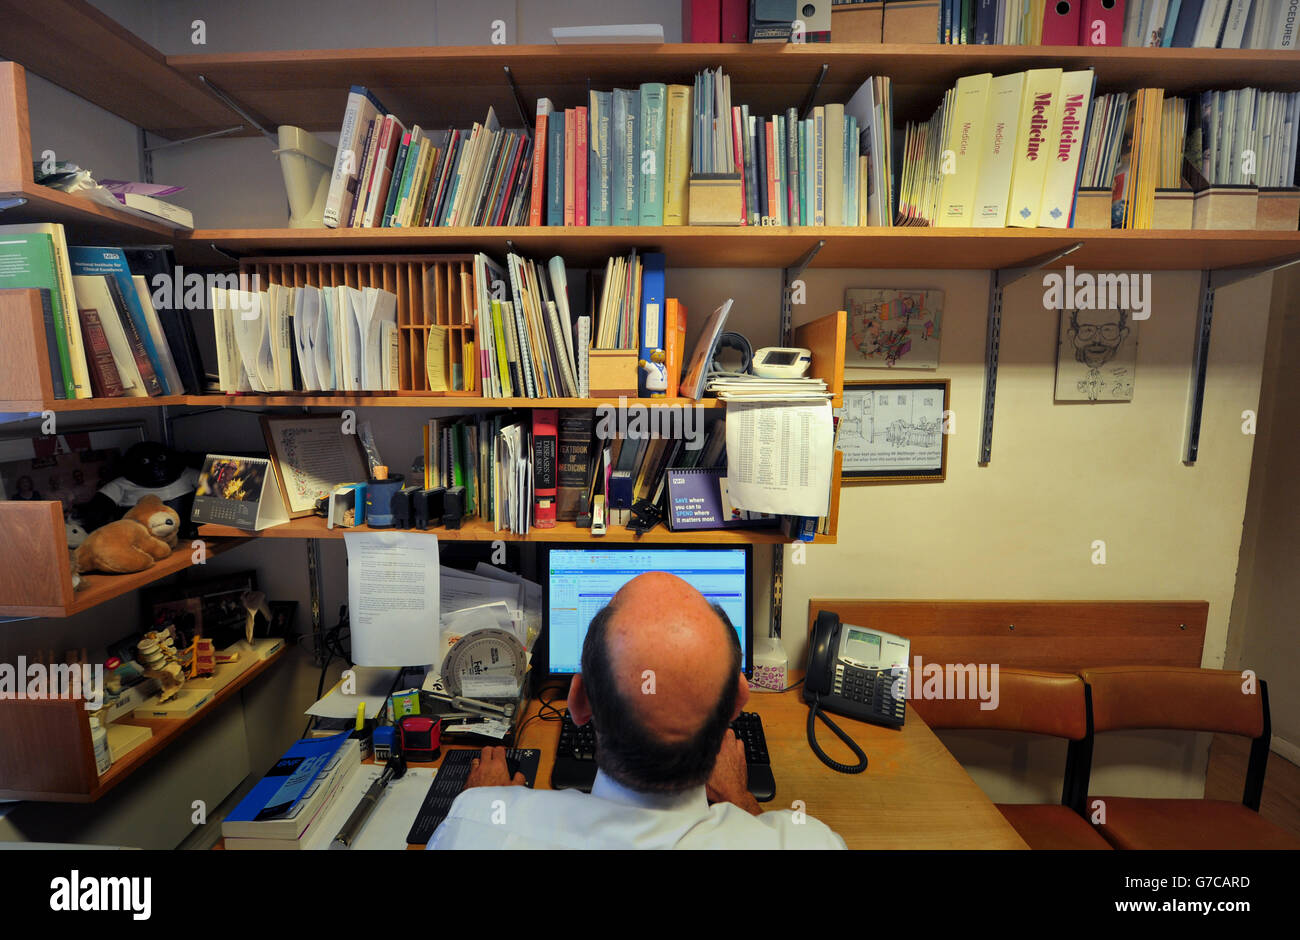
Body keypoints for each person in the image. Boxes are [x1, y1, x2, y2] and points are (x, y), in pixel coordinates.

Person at [429, 572, 845, 849]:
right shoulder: (810, 843)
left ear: (578, 701)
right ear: (738, 700)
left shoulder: (476, 826)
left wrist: (486, 799)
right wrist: (740, 799)